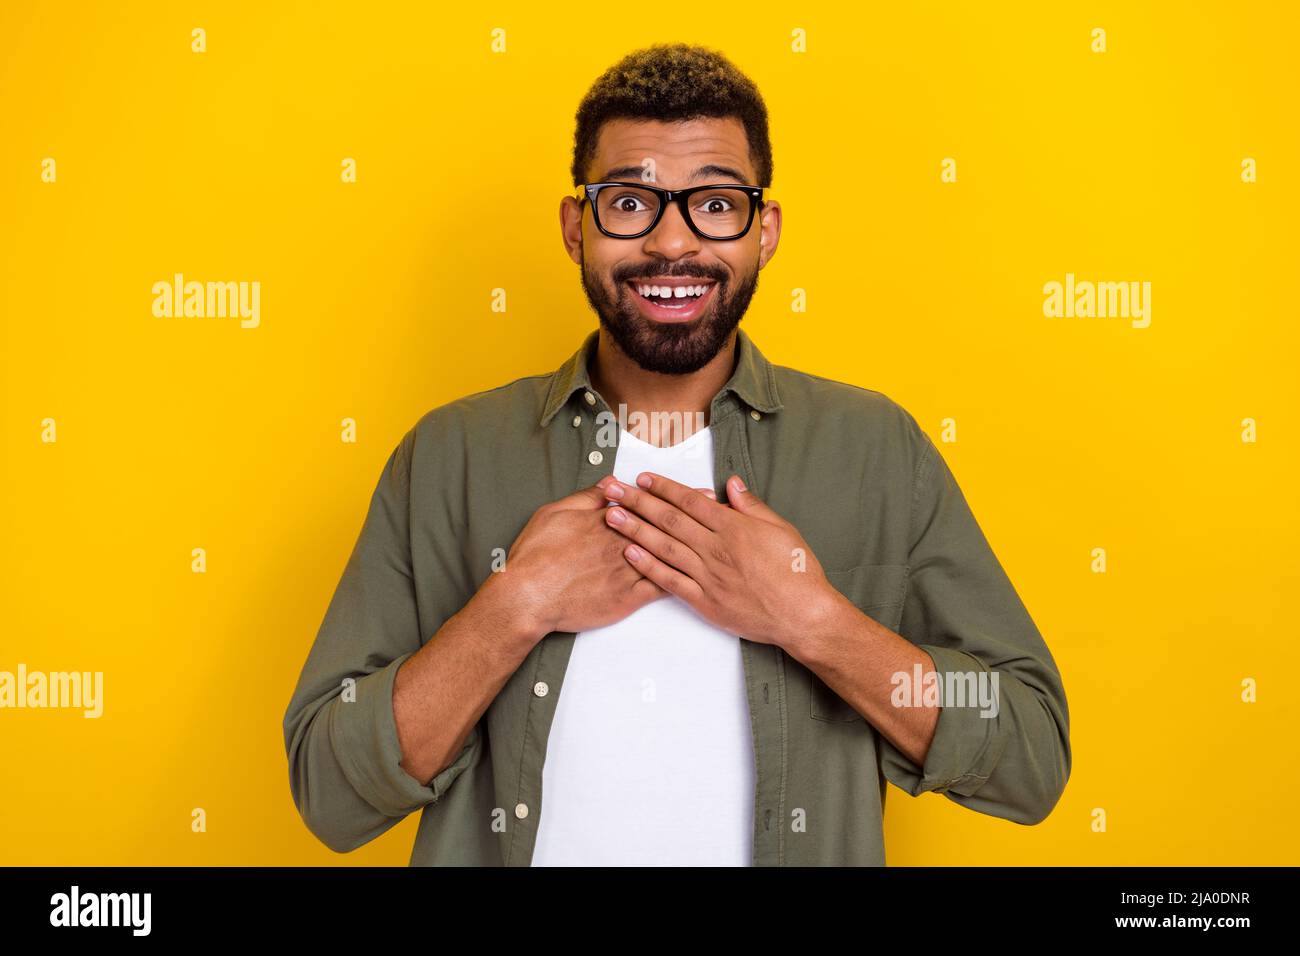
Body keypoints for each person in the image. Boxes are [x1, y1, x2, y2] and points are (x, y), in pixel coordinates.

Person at [282, 42, 1070, 866]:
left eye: (715, 205)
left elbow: (1030, 752)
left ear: (763, 231)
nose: (671, 245)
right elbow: (331, 794)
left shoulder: (877, 451)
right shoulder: (450, 457)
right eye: (630, 203)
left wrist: (814, 621)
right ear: (574, 225)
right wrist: (512, 608)